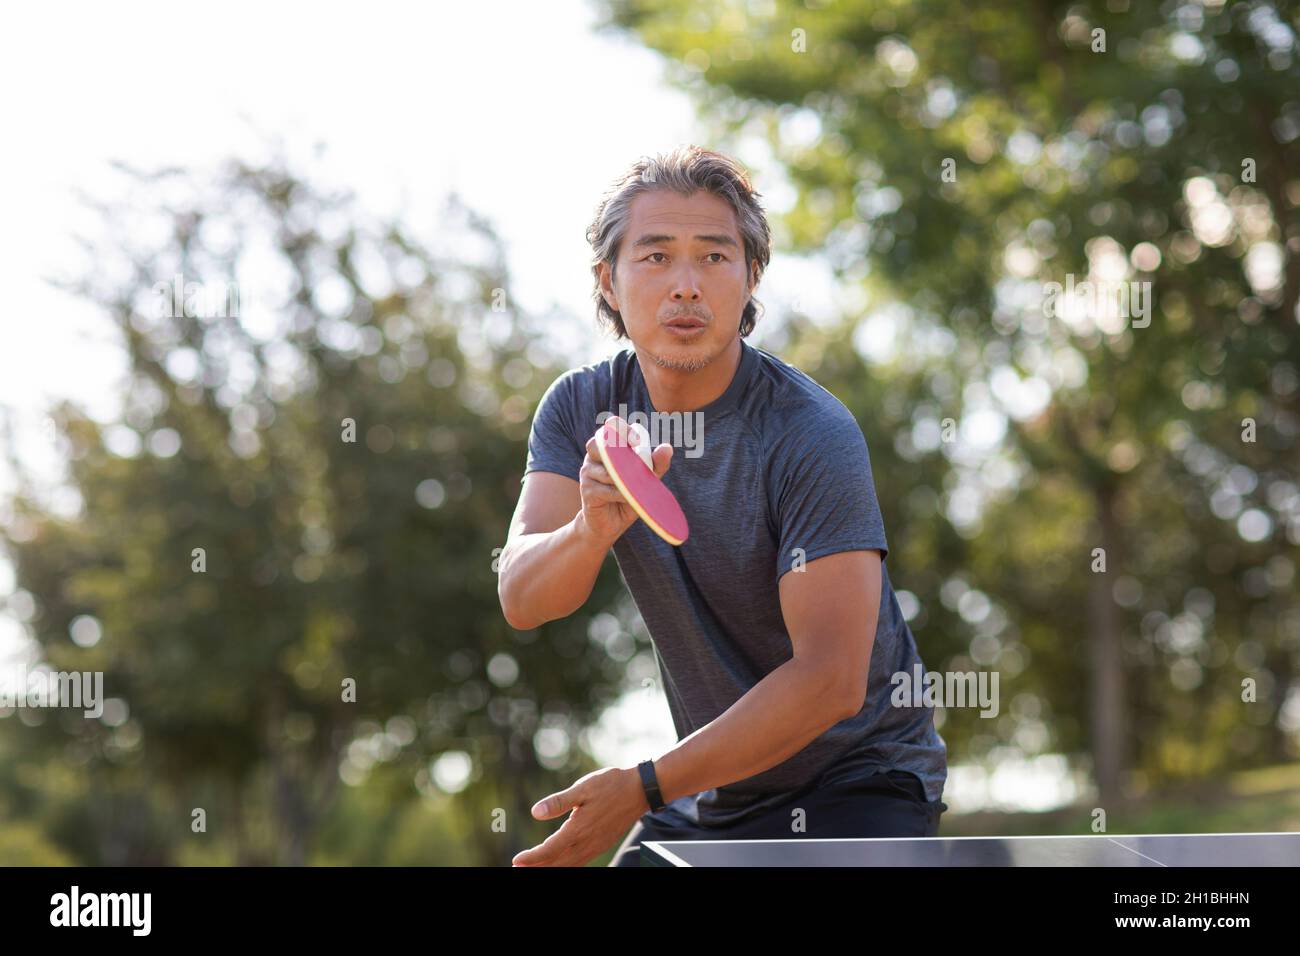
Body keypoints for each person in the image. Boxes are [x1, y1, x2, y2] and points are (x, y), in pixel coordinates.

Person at [498, 145, 947, 867]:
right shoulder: (579, 406)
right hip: (711, 792)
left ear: (749, 280)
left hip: (858, 781)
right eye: (655, 257)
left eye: (714, 257)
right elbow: (523, 598)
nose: (685, 286)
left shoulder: (810, 433)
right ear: (608, 282)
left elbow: (831, 681)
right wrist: (589, 530)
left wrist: (643, 786)